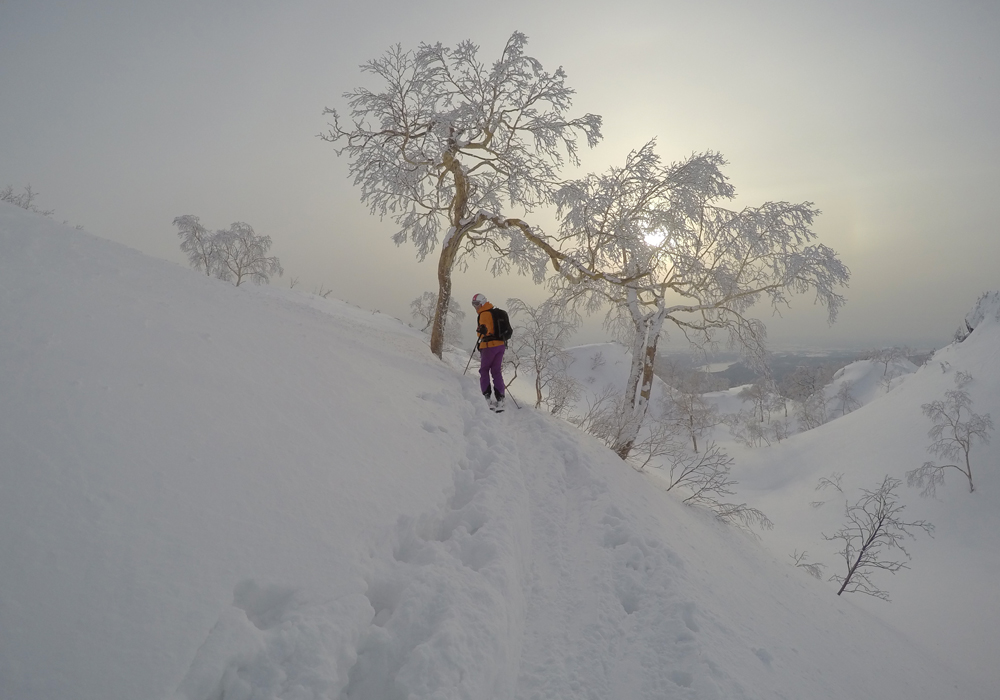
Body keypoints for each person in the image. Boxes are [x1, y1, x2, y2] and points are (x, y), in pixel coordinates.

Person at [472, 293, 506, 412]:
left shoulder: (484, 314)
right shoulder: (495, 312)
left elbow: (482, 333)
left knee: (484, 369)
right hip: (501, 345)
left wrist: (480, 331)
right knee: (496, 371)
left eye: (476, 304)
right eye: (473, 304)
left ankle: (486, 396)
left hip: (488, 346)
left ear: (482, 302)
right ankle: (501, 398)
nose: (475, 307)